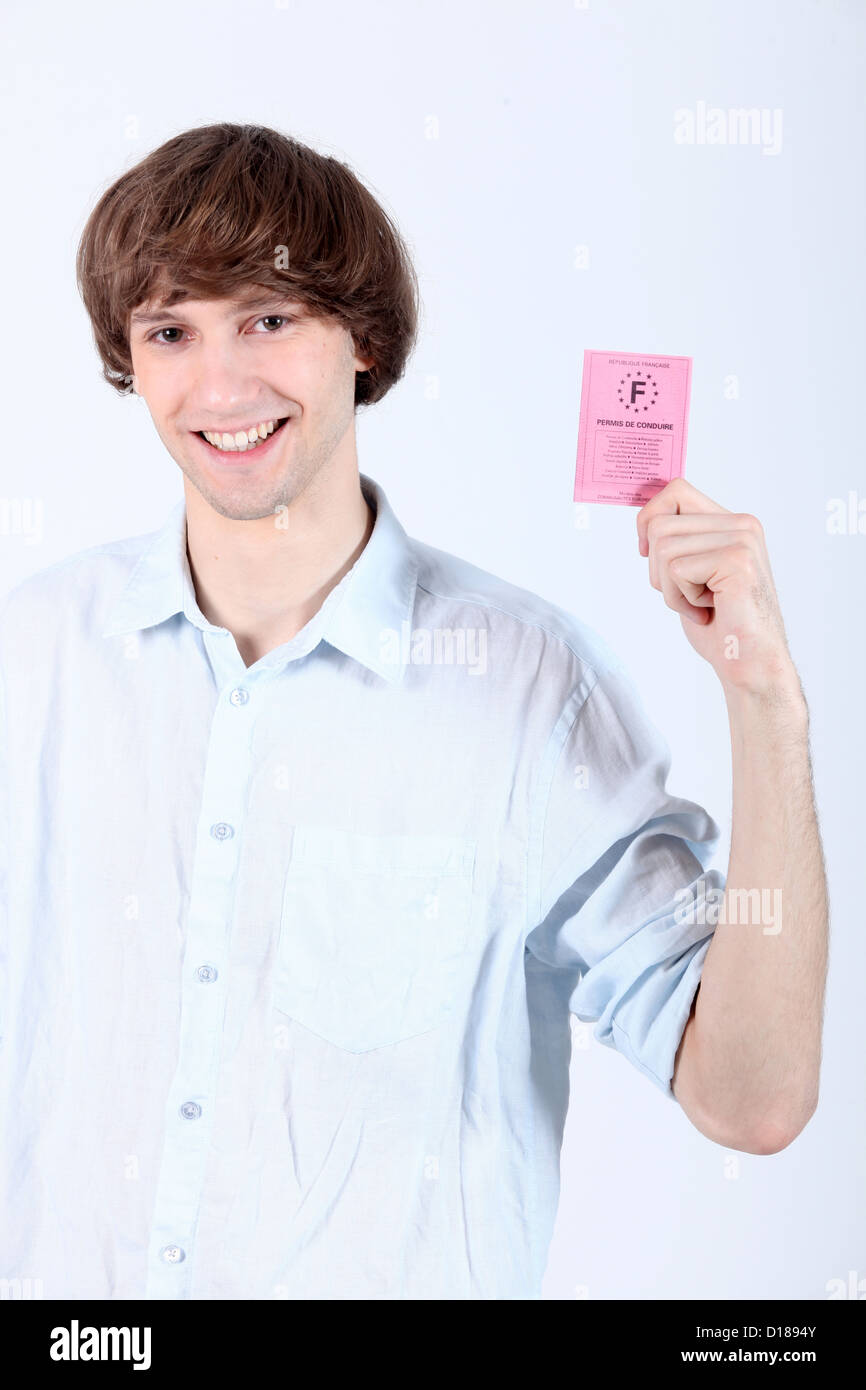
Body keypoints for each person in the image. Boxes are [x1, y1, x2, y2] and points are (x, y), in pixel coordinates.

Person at [0, 122, 827, 1301]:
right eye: (171, 331)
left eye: (269, 319)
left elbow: (750, 1100)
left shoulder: (529, 687)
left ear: (364, 340)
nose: (221, 385)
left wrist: (767, 703)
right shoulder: (29, 658)